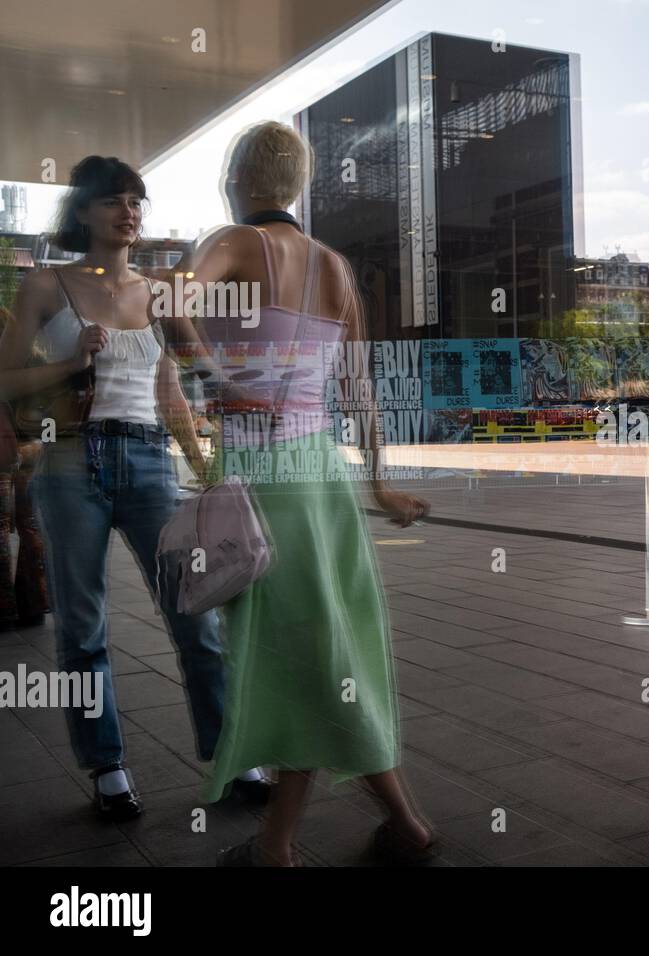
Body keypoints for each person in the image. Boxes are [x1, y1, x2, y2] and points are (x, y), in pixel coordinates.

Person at [160, 121, 436, 867]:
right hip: (325, 478)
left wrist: (220, 379)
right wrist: (380, 483)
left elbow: (168, 306)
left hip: (261, 475)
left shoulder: (235, 243)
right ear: (299, 183)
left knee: (301, 655)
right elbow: (361, 390)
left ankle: (285, 847)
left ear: (241, 180)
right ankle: (338, 834)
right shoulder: (337, 268)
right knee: (328, 648)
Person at [0, 157, 267, 822]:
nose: (129, 211)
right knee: (83, 628)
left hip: (148, 463)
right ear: (83, 211)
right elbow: (5, 382)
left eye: (136, 201)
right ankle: (108, 766)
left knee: (195, 615)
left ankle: (231, 747)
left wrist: (246, 403)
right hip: (68, 464)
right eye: (114, 200)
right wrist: (70, 361)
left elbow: (198, 372)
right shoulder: (44, 285)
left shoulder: (159, 293)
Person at [0, 308, 50, 631]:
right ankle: (33, 606)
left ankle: (3, 609)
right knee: (30, 525)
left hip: (4, 453)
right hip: (31, 451)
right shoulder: (35, 360)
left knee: (1, 528)